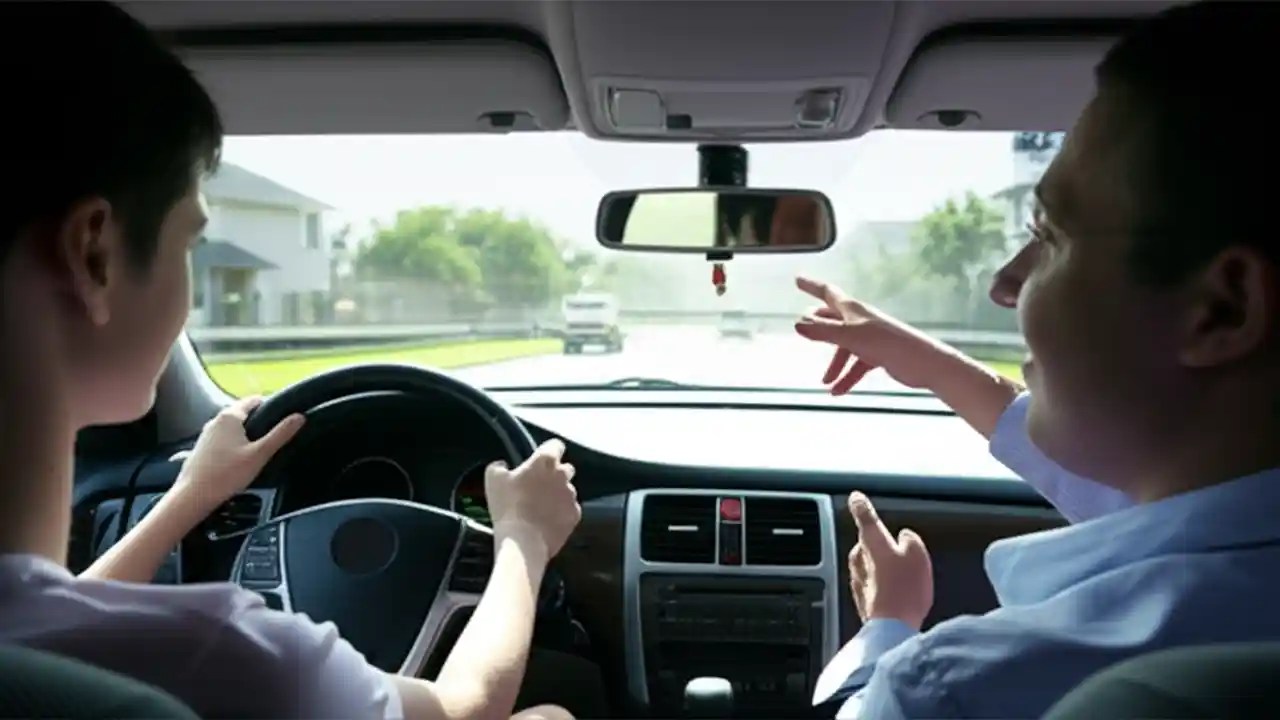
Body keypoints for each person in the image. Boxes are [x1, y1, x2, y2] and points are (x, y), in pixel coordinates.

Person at [0, 3, 578, 719]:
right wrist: (525, 537)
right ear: (94, 254)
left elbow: (50, 622)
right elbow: (464, 707)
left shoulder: (40, 652)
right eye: (190, 245)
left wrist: (189, 500)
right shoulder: (236, 662)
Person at [792, 1, 1280, 717]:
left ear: (1223, 310)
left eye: (1049, 235)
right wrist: (929, 365)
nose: (1004, 283)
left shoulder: (957, 689)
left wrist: (888, 628)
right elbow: (1152, 505)